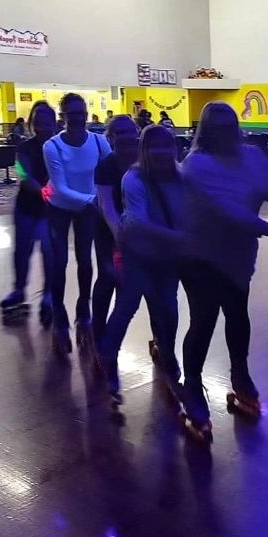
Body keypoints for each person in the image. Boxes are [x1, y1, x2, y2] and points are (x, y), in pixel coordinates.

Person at [179, 101, 268, 439]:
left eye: (230, 125)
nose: (226, 132)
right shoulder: (195, 165)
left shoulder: (253, 158)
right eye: (218, 127)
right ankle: (193, 384)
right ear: (207, 131)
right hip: (199, 255)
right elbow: (228, 212)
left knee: (238, 314)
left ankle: (240, 373)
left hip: (238, 255)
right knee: (203, 320)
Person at [97, 125, 186, 403]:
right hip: (136, 252)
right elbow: (137, 221)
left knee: (168, 309)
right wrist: (180, 237)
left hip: (167, 255)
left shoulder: (181, 175)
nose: (162, 152)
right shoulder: (133, 178)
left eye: (167, 146)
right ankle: (109, 356)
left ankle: (168, 354)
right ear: (144, 150)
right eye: (155, 146)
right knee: (128, 306)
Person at [43, 92, 112, 356]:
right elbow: (59, 188)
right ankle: (60, 319)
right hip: (59, 207)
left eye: (81, 113)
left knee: (85, 260)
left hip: (87, 210)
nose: (77, 118)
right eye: (71, 114)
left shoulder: (98, 141)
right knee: (59, 262)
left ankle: (84, 314)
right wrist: (96, 199)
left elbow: (110, 170)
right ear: (63, 117)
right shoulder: (52, 146)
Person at [93, 115, 160, 357]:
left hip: (143, 231)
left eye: (130, 132)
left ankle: (160, 339)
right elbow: (106, 206)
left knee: (154, 288)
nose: (126, 137)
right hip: (109, 232)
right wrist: (120, 238)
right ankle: (98, 336)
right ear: (110, 138)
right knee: (108, 279)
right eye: (119, 133)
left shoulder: (147, 163)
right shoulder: (105, 167)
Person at [0, 101, 56, 323]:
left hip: (50, 211)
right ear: (32, 124)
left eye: (47, 123)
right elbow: (23, 176)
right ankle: (19, 289)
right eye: (38, 123)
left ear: (54, 123)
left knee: (49, 253)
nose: (42, 127)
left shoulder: (59, 147)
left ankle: (49, 293)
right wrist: (45, 191)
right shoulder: (24, 148)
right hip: (26, 207)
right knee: (22, 250)